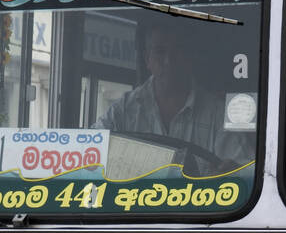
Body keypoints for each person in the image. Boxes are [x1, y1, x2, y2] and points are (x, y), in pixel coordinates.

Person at [97, 21, 251, 175]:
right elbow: (90, 152)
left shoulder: (218, 115)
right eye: (160, 51)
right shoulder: (122, 111)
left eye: (178, 51)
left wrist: (233, 173)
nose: (169, 61)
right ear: (147, 59)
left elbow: (245, 172)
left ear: (190, 58)